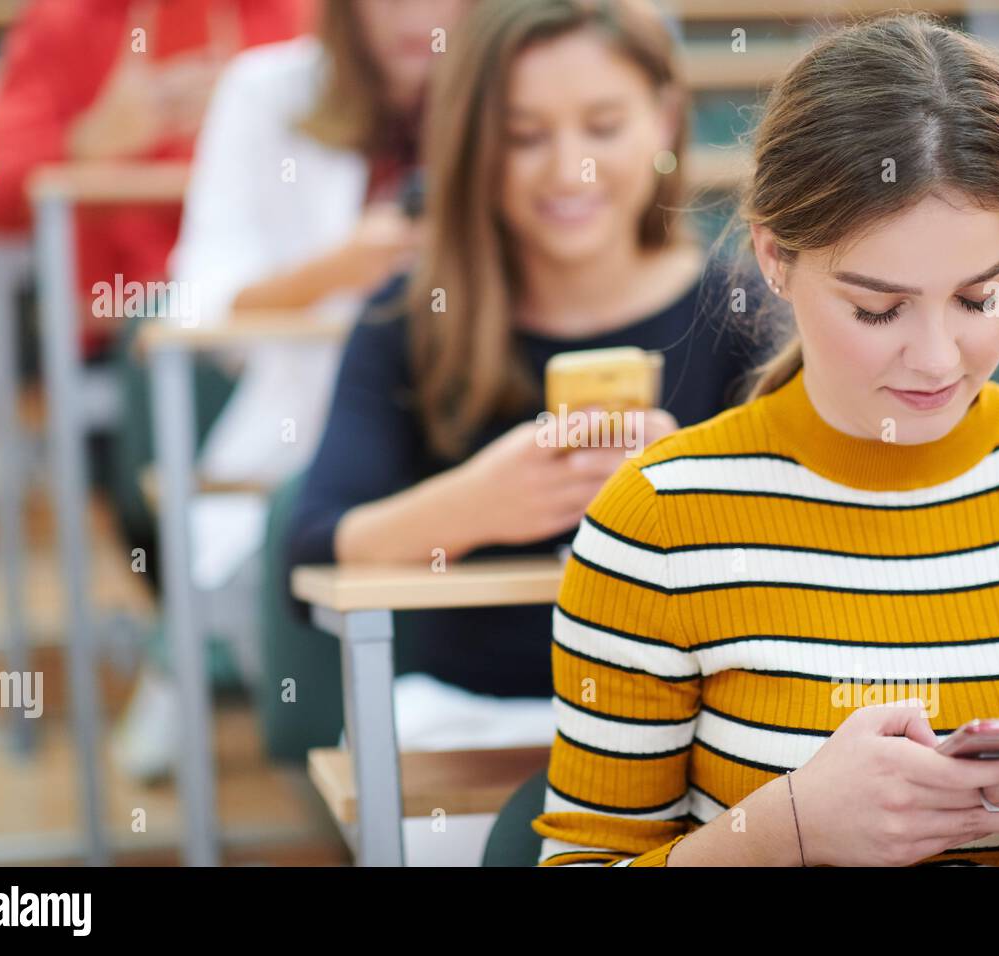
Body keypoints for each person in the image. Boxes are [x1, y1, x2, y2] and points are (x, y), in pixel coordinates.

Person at [532, 13, 999, 867]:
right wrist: (789, 831)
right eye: (877, 308)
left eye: (981, 297)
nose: (937, 360)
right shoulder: (656, 523)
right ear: (776, 258)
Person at [286, 0, 766, 749]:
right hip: (474, 723)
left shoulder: (745, 314)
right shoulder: (407, 322)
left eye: (604, 126)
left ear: (665, 120)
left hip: (710, 723)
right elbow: (310, 547)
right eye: (523, 136)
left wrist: (687, 494)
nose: (569, 167)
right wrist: (481, 503)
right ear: (473, 143)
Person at [110, 0, 472, 781]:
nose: (420, 12)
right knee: (283, 590)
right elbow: (201, 305)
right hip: (299, 435)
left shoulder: (524, 80)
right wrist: (338, 270)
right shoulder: (266, 92)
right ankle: (192, 665)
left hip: (477, 428)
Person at [0, 0, 312, 358]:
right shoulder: (65, 17)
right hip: (125, 310)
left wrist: (252, 120)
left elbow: (348, 171)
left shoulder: (296, 14)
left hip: (282, 291)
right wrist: (85, 142)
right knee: (181, 329)